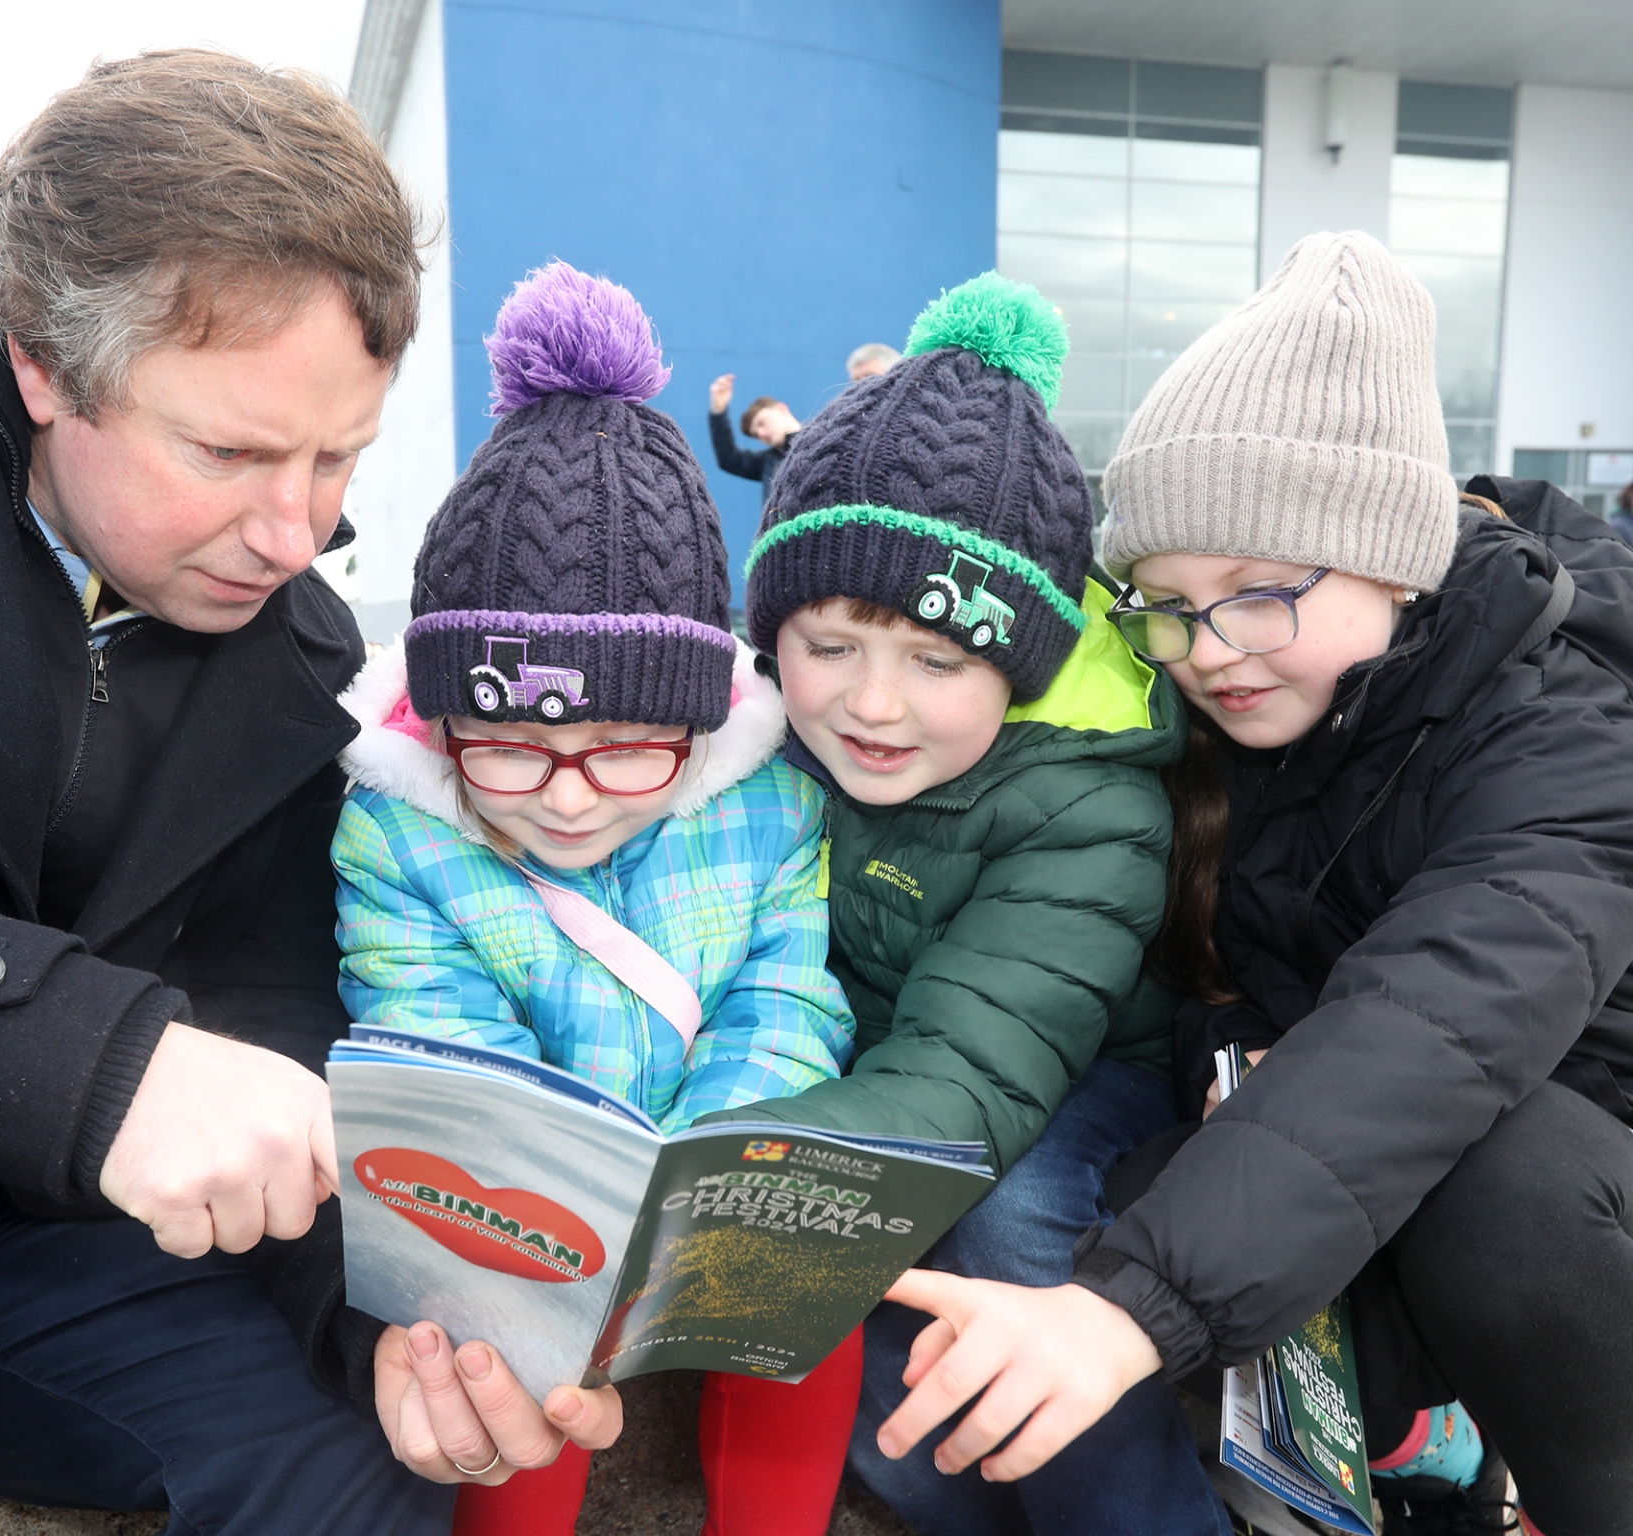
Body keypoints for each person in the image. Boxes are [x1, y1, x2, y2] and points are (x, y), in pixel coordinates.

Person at [0, 49, 620, 1535]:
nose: (296, 532)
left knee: (349, 1478)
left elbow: (270, 1022)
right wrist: (81, 1059)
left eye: (343, 457)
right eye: (231, 451)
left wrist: (392, 1323)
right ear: (41, 360)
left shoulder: (295, 651)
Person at [867, 232, 1633, 1536]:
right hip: (1354, 1161)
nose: (1205, 648)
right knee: (1084, 1199)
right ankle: (1401, 1468)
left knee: (1500, 1195)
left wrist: (1127, 1310)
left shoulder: (1564, 725)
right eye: (1165, 603)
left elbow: (1432, 1022)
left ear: (1393, 553)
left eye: (1254, 594)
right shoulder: (1248, 700)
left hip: (1566, 1198)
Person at [333, 262, 861, 1536]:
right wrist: (567, 1200)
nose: (569, 800)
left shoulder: (768, 800)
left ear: (701, 720)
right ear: (442, 717)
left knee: (813, 1304)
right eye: (508, 747)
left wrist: (721, 1158)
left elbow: (787, 991)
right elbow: (438, 1036)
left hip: (702, 1180)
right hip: (528, 1201)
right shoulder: (399, 829)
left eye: (628, 749)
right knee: (508, 1346)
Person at [731, 268, 1229, 1535]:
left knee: (1006, 1219)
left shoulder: (1088, 801)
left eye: (939, 661)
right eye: (828, 645)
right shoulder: (761, 748)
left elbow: (978, 1071)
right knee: (872, 1366)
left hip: (1067, 1078)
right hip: (879, 1058)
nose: (872, 704)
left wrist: (750, 1166)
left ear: (1021, 662)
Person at [708, 372, 801, 503]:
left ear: (781, 408)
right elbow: (729, 458)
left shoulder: (820, 441)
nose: (761, 434)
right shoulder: (769, 461)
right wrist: (718, 409)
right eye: (756, 434)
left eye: (762, 423)